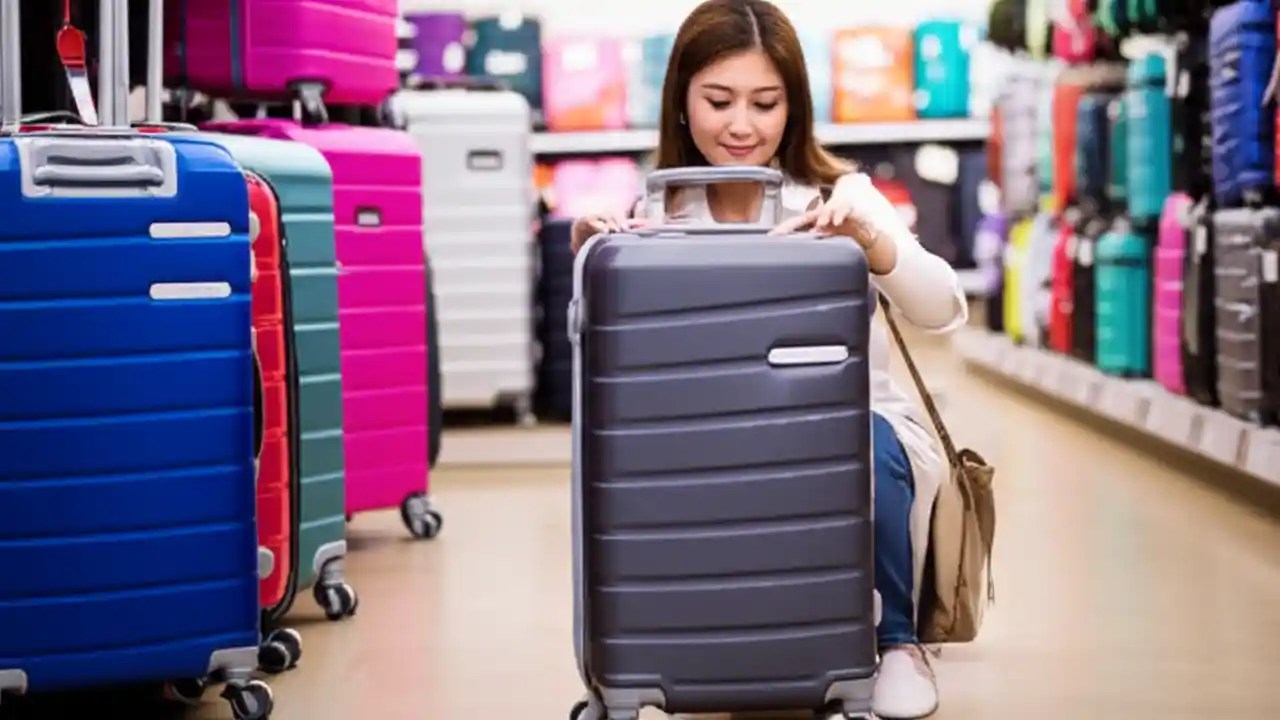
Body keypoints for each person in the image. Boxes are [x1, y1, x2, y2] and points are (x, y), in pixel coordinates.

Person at [568, 1, 967, 718]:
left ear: (795, 107)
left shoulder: (839, 197)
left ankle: (897, 642)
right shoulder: (651, 218)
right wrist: (591, 262)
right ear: (682, 104)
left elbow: (942, 309)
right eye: (718, 101)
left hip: (841, 430)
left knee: (865, 447)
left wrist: (872, 241)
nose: (742, 125)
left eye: (766, 102)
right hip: (704, 437)